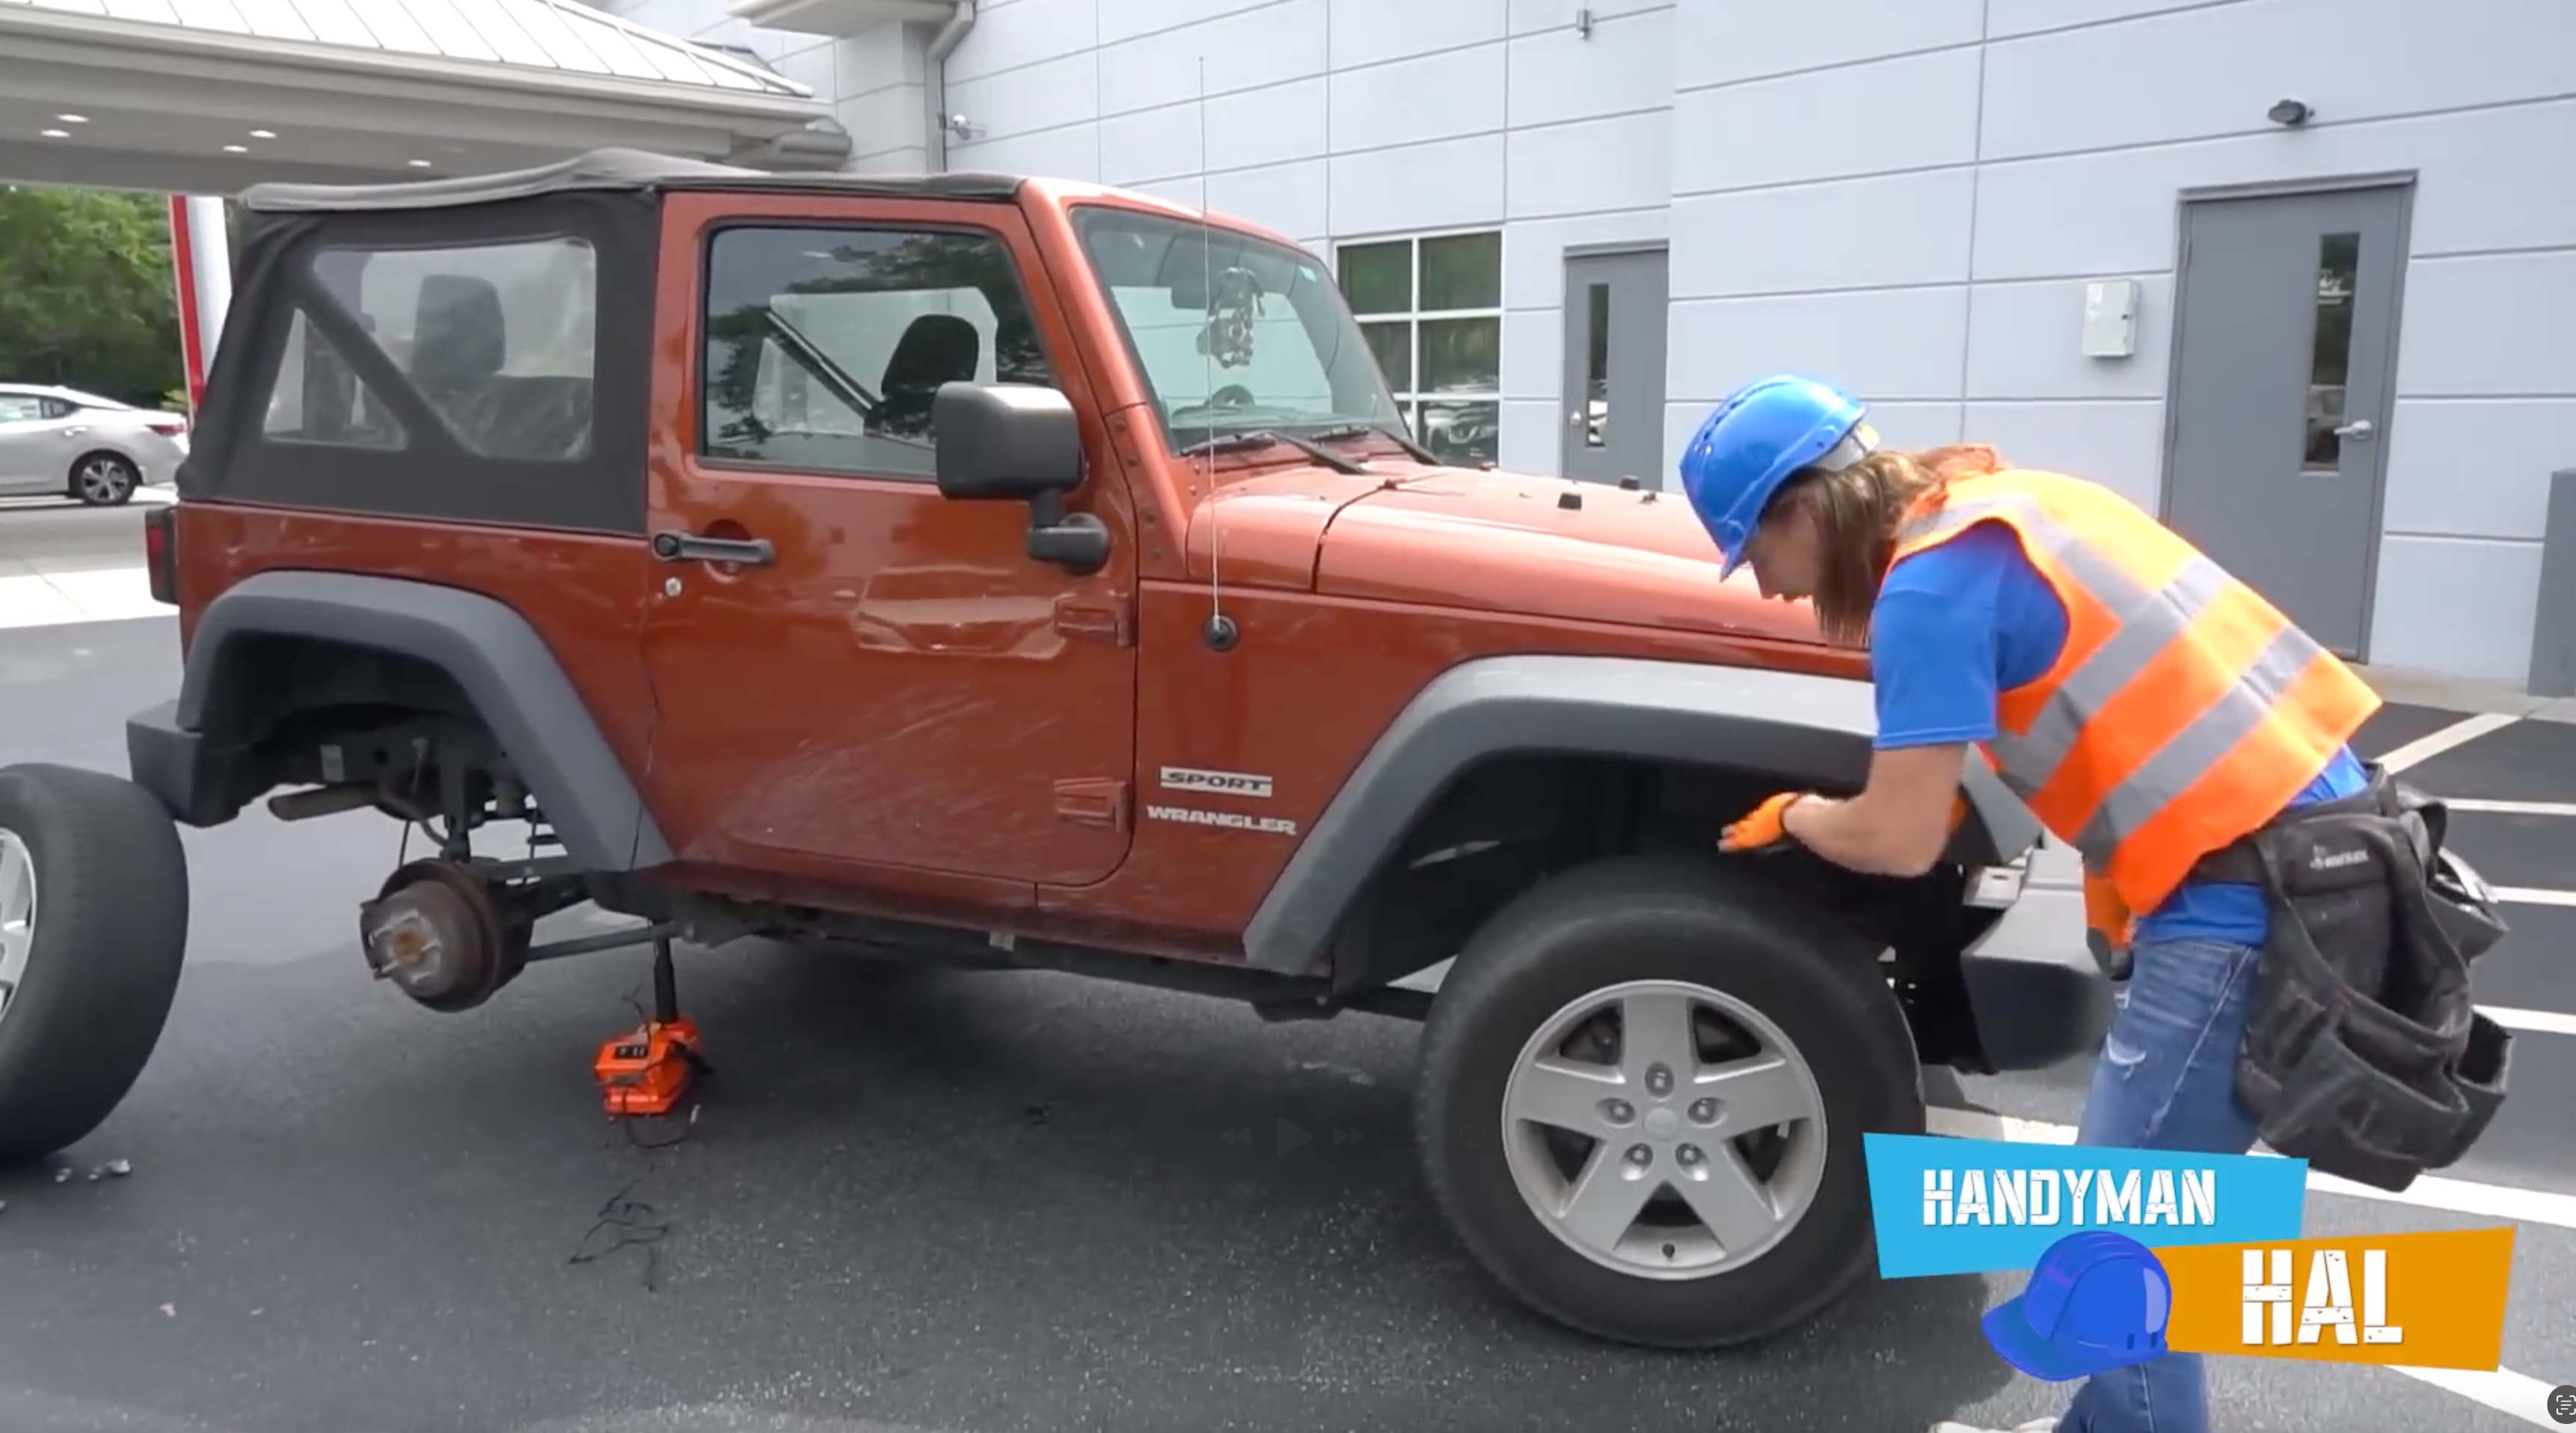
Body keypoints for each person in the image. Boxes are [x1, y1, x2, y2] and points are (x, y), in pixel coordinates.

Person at [1677, 374, 2382, 1433]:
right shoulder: (2023, 505)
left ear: (1806, 509)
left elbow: (1901, 837)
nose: (1771, 590)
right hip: (2328, 855)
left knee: (2113, 1252)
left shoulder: (1929, 589)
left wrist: (1799, 819)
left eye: (1761, 555)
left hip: (2243, 907)